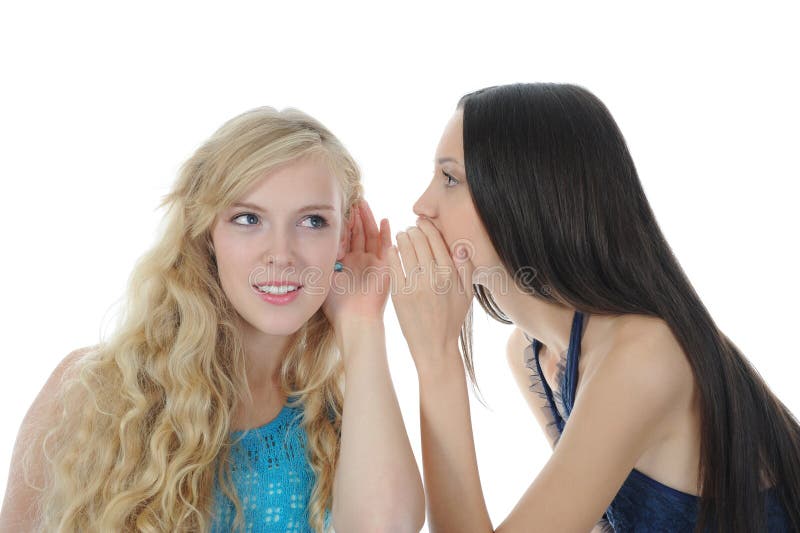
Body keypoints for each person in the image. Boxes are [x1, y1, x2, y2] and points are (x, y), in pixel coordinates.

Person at [387, 83, 798, 532]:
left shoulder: (644, 354)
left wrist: (438, 356)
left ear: (528, 195)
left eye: (450, 178)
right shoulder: (535, 354)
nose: (421, 205)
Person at [0, 107, 425, 532]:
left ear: (343, 238)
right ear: (207, 233)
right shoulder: (94, 392)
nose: (281, 253)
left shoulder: (337, 428)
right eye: (248, 219)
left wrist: (363, 322)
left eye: (313, 221)